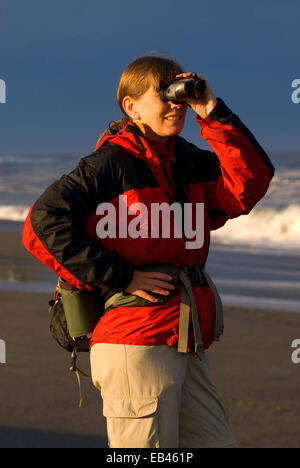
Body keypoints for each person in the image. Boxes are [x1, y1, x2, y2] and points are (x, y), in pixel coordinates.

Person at [22, 55, 274, 448]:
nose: (176, 104)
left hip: (186, 339)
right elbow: (42, 221)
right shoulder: (108, 165)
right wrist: (120, 275)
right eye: (165, 95)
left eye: (180, 95)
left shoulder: (186, 163)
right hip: (133, 342)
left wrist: (210, 108)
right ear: (131, 106)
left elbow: (250, 183)